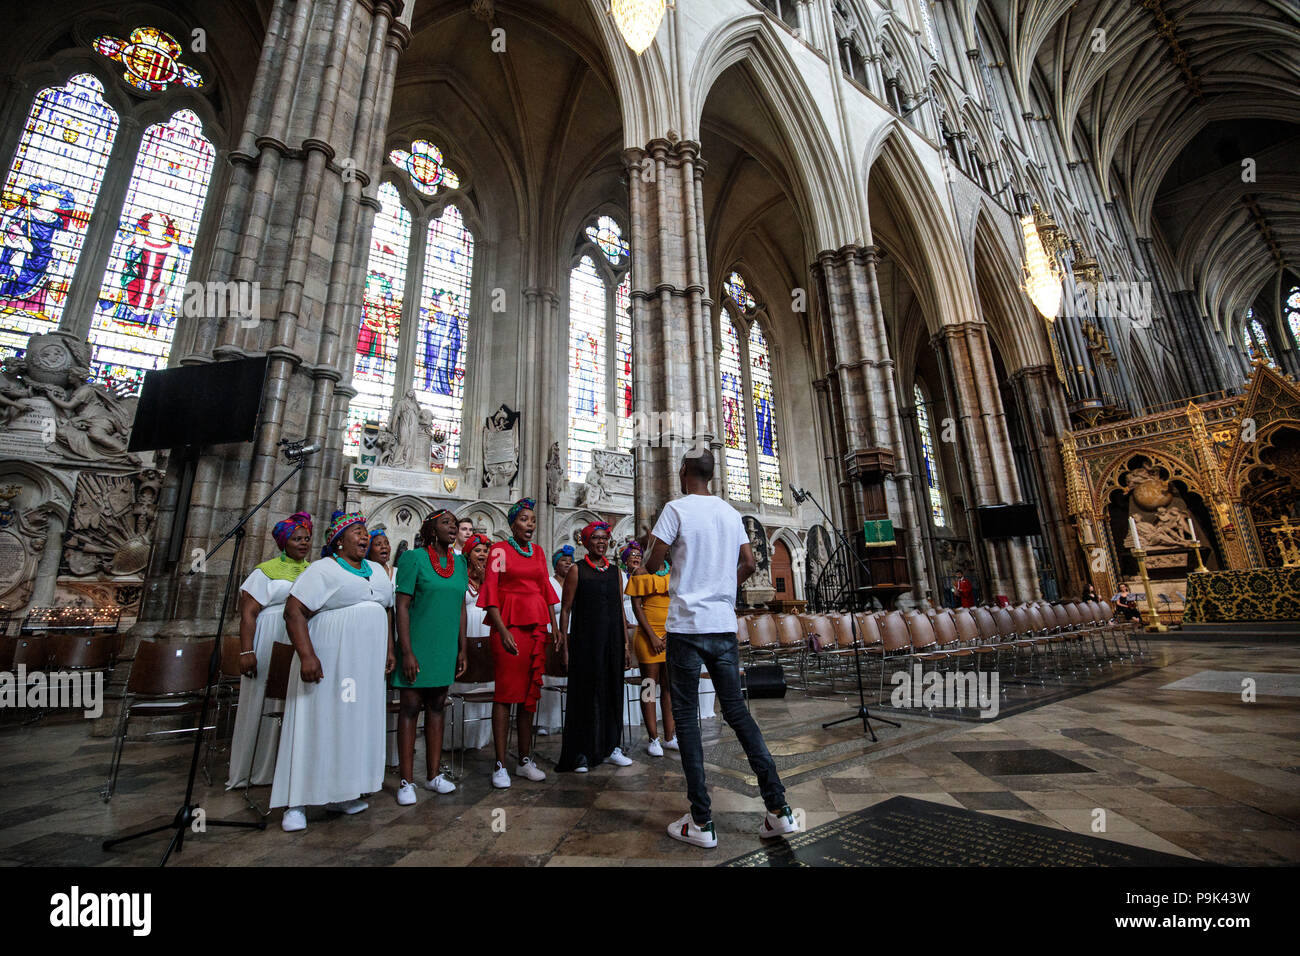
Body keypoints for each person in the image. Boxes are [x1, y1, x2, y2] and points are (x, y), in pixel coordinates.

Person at [643, 448, 798, 848]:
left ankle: (701, 822)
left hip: (686, 630)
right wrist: (722, 586)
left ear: (683, 472)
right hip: (723, 627)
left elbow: (651, 563)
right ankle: (779, 809)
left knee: (688, 720)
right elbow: (748, 562)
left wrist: (655, 553)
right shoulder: (731, 514)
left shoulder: (675, 510)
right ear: (711, 476)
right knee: (738, 714)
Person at [271, 511, 395, 832]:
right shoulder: (323, 569)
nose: (364, 537)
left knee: (352, 725)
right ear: (338, 540)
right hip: (329, 663)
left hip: (364, 669)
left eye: (366, 532)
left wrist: (390, 650)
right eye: (357, 532)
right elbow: (294, 611)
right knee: (317, 722)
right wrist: (307, 655)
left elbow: (386, 611)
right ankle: (295, 802)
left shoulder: (379, 573)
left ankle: (344, 792)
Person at [226, 511, 312, 789]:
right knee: (262, 697)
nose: (303, 543)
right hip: (269, 634)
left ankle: (285, 766)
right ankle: (253, 768)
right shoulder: (265, 570)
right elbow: (248, 614)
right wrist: (245, 651)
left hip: (300, 638)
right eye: (297, 538)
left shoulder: (313, 570)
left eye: (307, 538)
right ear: (283, 542)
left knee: (292, 700)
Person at [478, 498, 560, 788]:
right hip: (508, 627)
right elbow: (490, 591)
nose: (530, 525)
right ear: (513, 523)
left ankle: (525, 760)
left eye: (533, 520)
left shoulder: (538, 552)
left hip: (536, 628)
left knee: (528, 696)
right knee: (505, 695)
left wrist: (556, 627)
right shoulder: (499, 550)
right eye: (524, 519)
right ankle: (500, 764)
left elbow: (546, 589)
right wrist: (502, 630)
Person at [392, 509, 468, 804]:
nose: (453, 527)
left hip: (445, 645)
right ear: (431, 530)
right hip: (418, 644)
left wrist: (462, 648)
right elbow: (401, 606)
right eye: (446, 523)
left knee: (438, 704)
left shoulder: (459, 563)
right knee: (411, 706)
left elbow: (461, 607)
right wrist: (406, 651)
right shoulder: (414, 559)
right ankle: (406, 781)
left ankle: (434, 775)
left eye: (455, 523)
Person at [556, 521, 634, 773]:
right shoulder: (577, 570)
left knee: (613, 692)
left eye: (604, 538)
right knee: (585, 694)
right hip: (585, 642)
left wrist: (625, 644)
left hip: (611, 640)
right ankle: (581, 752)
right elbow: (566, 609)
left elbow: (620, 610)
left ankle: (611, 747)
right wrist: (565, 644)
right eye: (596, 538)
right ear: (586, 543)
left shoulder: (615, 572)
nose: (601, 542)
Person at [626, 538, 678, 757]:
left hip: (669, 635)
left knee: (668, 688)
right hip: (648, 637)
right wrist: (653, 636)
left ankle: (670, 737)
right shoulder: (640, 573)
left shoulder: (673, 571)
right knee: (649, 686)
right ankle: (653, 739)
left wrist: (669, 633)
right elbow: (637, 607)